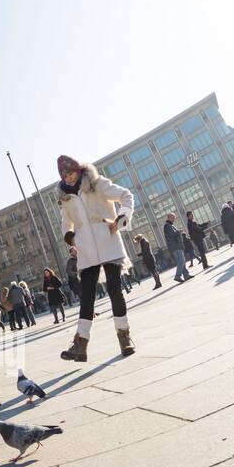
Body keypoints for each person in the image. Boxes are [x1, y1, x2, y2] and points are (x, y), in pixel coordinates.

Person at [56, 154, 137, 361]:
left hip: (108, 242)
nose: (68, 179)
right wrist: (72, 239)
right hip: (86, 250)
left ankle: (124, 336)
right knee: (87, 294)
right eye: (64, 176)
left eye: (71, 173)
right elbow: (66, 224)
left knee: (114, 288)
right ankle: (80, 345)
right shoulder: (65, 197)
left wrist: (121, 218)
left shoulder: (96, 183)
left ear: (78, 169)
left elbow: (126, 195)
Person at [162, 213, 192, 283]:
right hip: (175, 246)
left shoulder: (170, 225)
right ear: (169, 217)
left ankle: (186, 275)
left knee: (182, 260)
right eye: (173, 217)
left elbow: (173, 233)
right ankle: (178, 276)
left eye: (174, 217)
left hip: (177, 245)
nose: (174, 219)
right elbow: (171, 234)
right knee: (181, 260)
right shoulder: (167, 226)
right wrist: (179, 231)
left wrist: (178, 231)